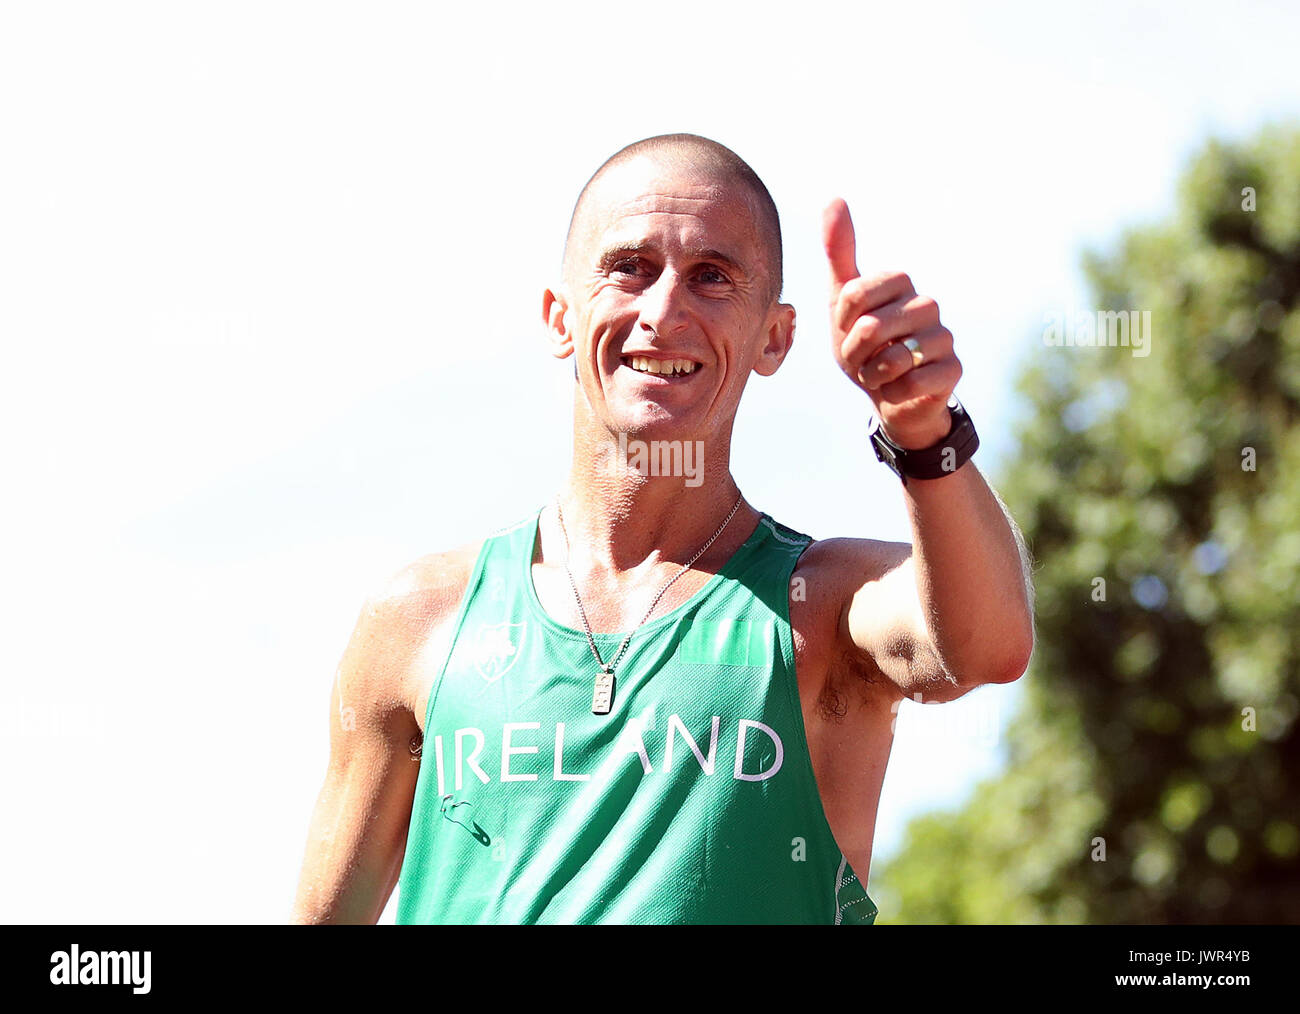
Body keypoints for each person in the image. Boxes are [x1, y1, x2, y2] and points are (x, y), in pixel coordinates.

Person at [289, 133, 1035, 925]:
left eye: (712, 277)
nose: (664, 311)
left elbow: (987, 646)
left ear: (774, 337)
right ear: (559, 318)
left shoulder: (820, 604)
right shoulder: (419, 619)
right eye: (628, 268)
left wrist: (927, 435)